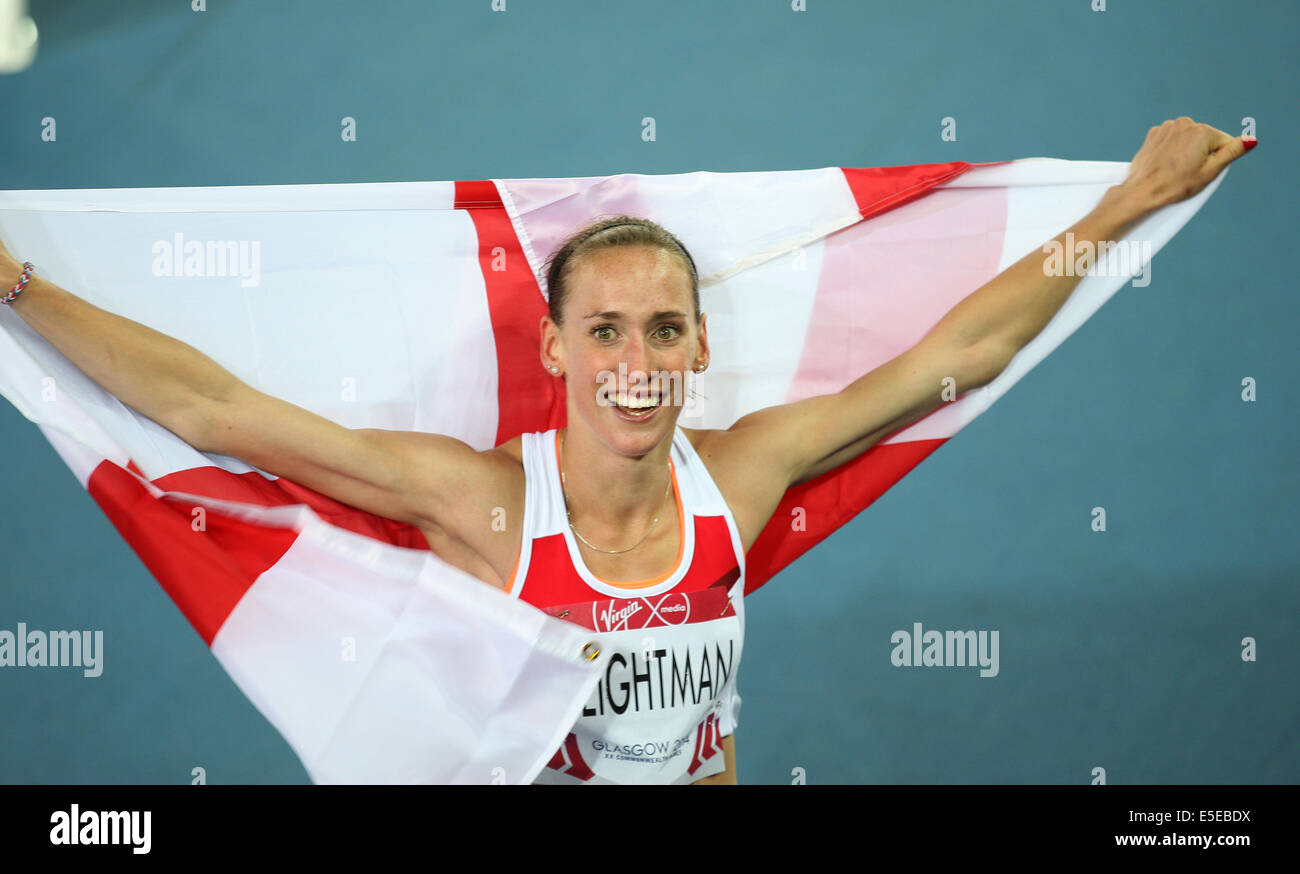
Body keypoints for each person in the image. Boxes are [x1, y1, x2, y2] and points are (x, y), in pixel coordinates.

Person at [0, 118, 1254, 784]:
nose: (634, 359)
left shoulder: (746, 472)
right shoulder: (485, 502)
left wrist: (1128, 203)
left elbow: (959, 352)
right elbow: (219, 412)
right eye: (602, 330)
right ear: (553, 353)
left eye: (662, 327)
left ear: (702, 346)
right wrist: (21, 292)